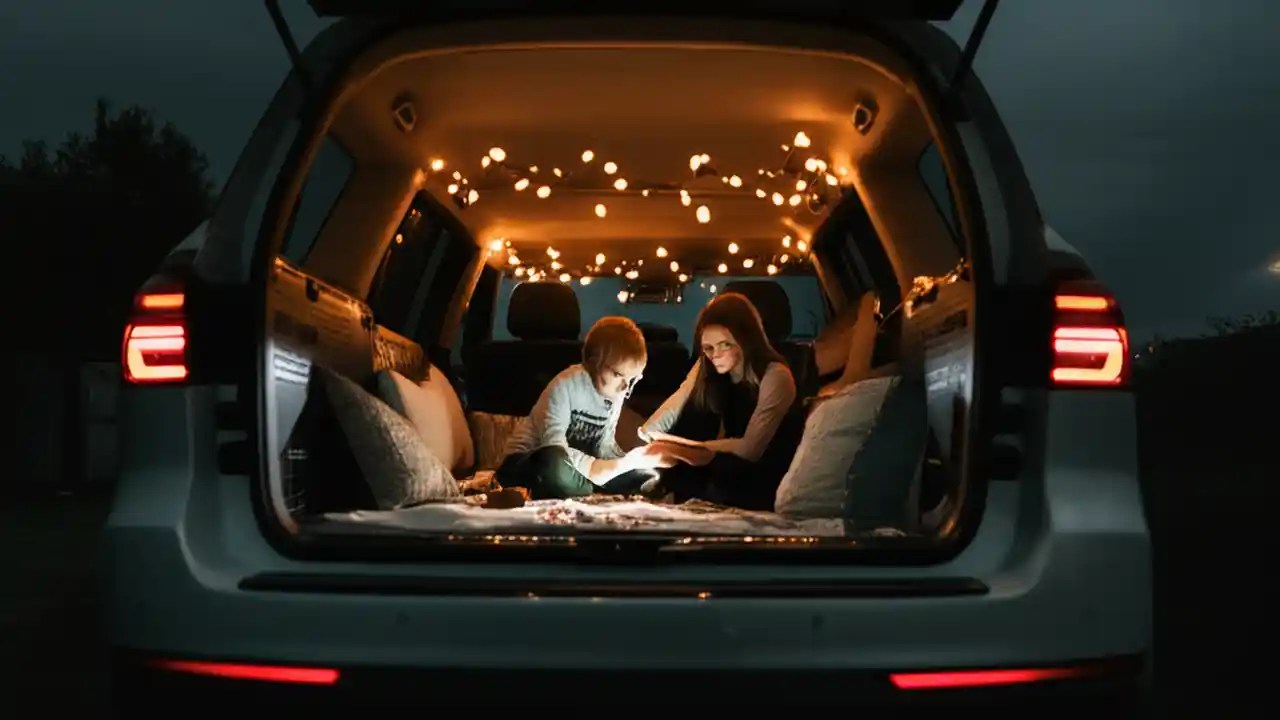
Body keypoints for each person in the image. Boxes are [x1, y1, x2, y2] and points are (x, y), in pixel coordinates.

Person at [637, 292, 805, 510]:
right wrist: (649, 434)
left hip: (762, 473)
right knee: (696, 412)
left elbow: (750, 450)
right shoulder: (709, 365)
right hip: (725, 463)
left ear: (746, 340)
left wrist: (688, 449)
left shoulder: (775, 375)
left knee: (718, 469)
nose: (715, 354)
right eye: (708, 348)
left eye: (725, 344)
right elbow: (675, 403)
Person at [495, 316, 676, 499]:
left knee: (646, 474)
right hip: (529, 462)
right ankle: (592, 489)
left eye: (632, 380)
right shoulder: (565, 384)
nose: (625, 388)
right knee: (554, 465)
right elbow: (553, 443)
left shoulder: (615, 392)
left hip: (579, 468)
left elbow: (604, 445)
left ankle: (587, 487)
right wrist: (599, 468)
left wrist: (629, 462)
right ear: (594, 362)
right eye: (618, 375)